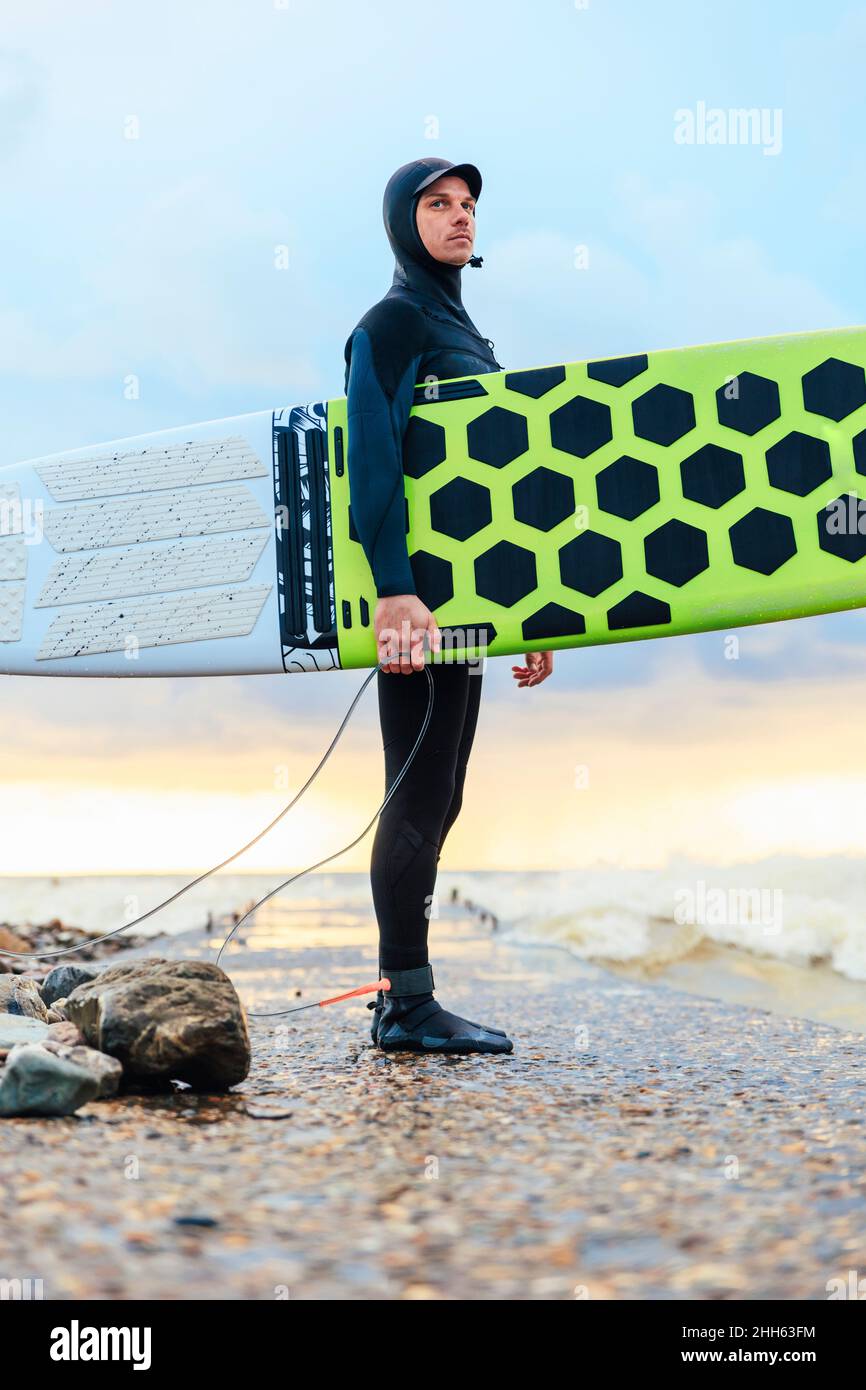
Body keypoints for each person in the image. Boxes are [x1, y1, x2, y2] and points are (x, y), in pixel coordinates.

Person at [343, 158, 553, 1054]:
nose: (461, 216)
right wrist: (394, 590)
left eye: (468, 204)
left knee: (445, 791)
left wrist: (540, 614)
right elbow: (373, 455)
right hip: (418, 602)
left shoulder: (467, 336)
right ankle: (405, 1002)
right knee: (418, 789)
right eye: (439, 204)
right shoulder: (389, 324)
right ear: (404, 221)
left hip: (465, 604)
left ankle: (408, 993)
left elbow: (494, 489)